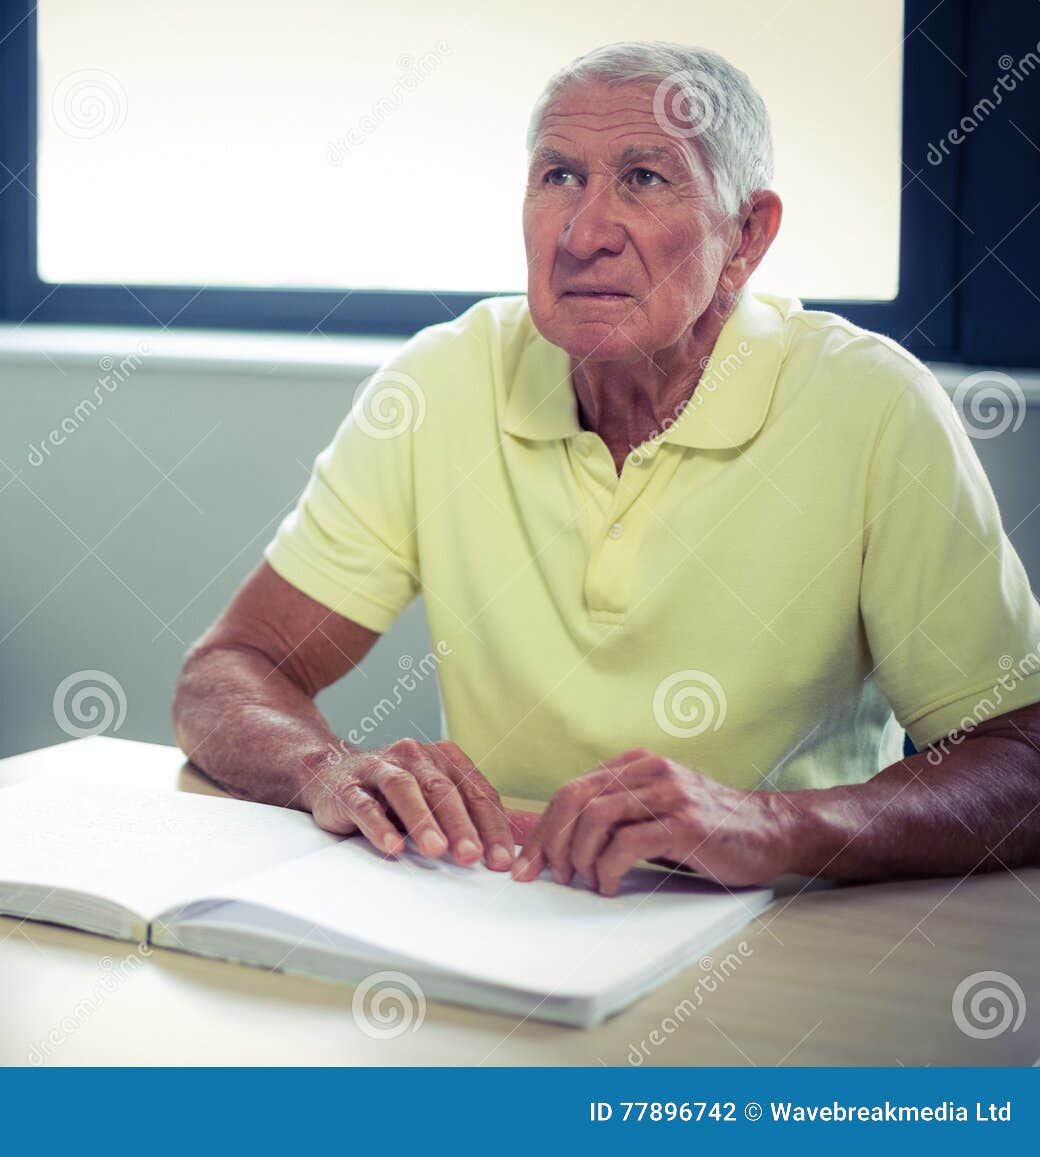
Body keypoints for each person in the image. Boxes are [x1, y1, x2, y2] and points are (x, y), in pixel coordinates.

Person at [171, 41, 1040, 896]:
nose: (585, 234)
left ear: (746, 236)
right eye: (558, 178)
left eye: (644, 178)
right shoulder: (440, 381)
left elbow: (1022, 758)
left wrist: (776, 824)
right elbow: (231, 668)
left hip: (785, 923)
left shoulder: (873, 401)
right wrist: (324, 767)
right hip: (503, 910)